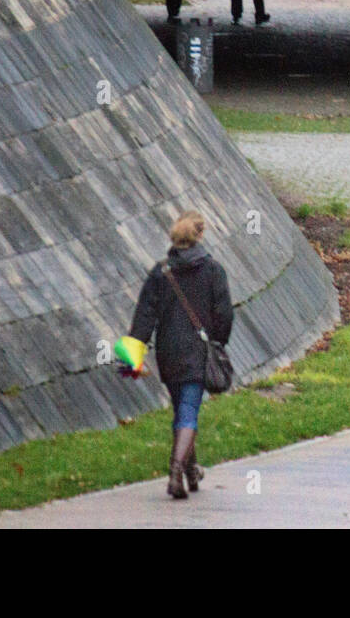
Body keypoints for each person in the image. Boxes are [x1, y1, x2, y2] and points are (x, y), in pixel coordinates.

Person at [129, 210, 234, 499]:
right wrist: (218, 343)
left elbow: (144, 316)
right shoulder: (213, 270)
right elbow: (223, 313)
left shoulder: (160, 272)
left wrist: (132, 356)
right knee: (188, 410)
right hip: (196, 351)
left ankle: (191, 471)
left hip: (168, 351)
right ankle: (176, 473)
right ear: (199, 235)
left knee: (182, 409)